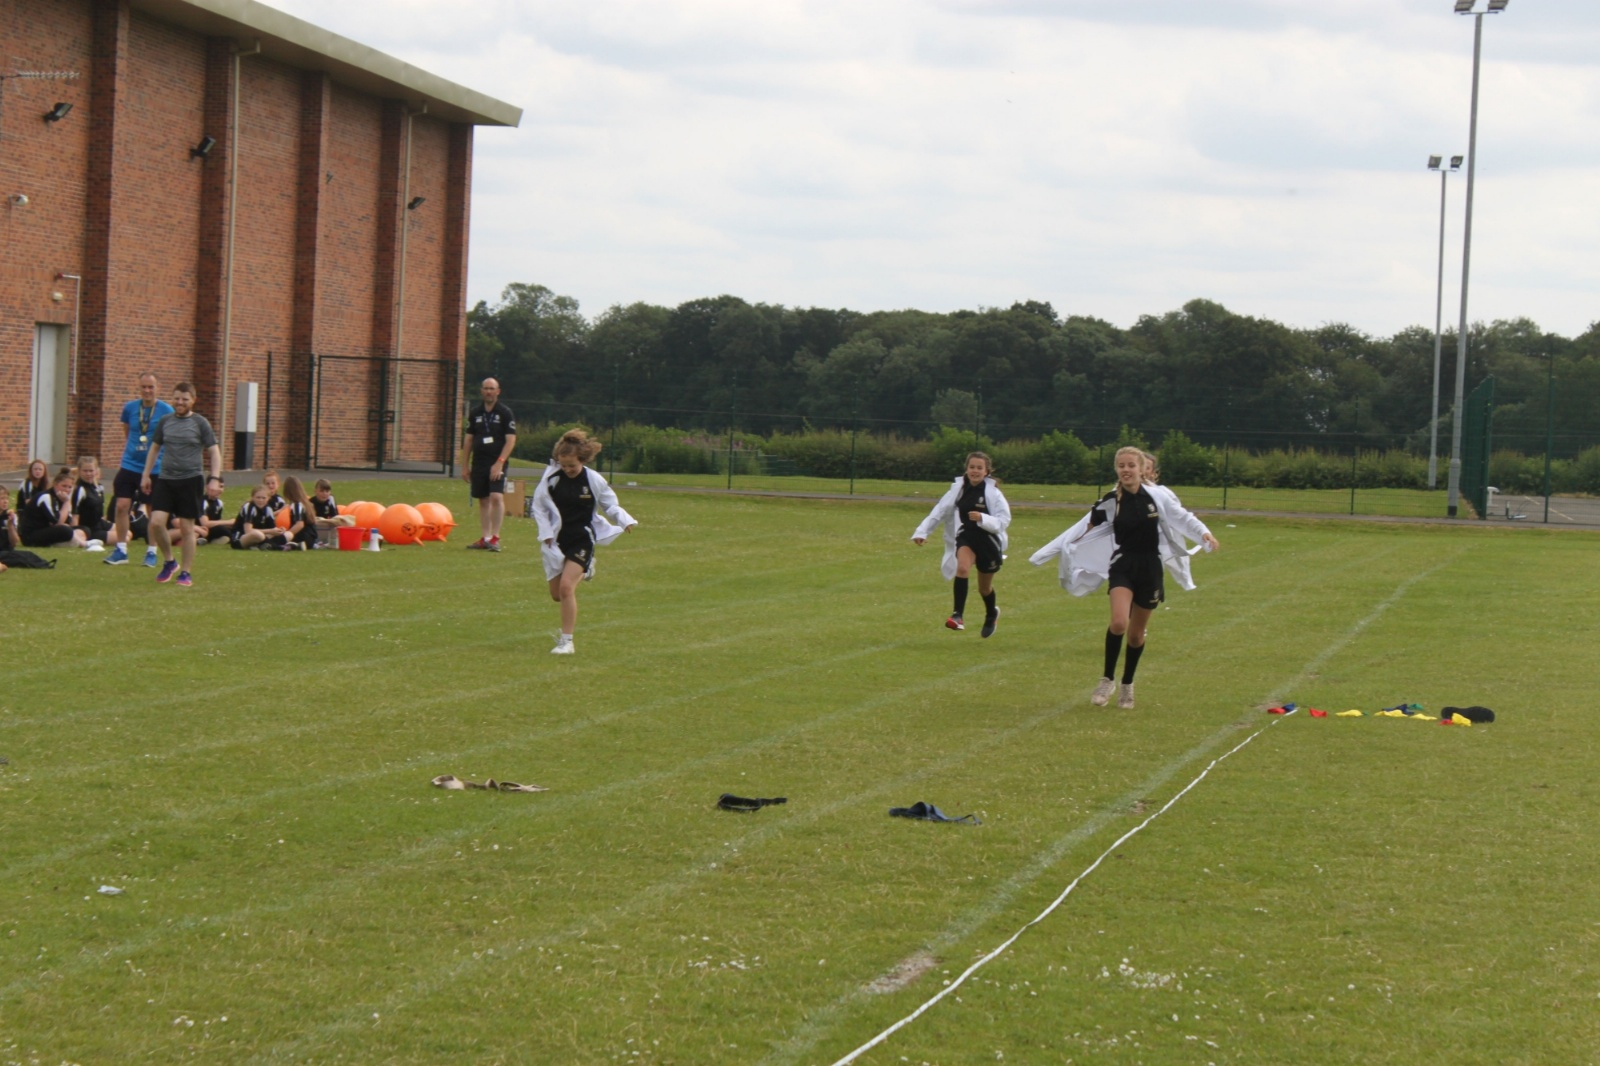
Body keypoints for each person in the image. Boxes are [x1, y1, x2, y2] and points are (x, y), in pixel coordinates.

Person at [1030, 445, 1219, 709]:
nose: (1126, 470)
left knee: (1136, 634)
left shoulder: (1158, 497)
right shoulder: (1111, 500)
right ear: (1116, 469)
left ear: (1143, 469)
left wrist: (1204, 534)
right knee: (1119, 622)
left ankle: (1127, 685)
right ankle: (1107, 679)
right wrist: (1066, 548)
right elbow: (1084, 527)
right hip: (1123, 564)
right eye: (1121, 466)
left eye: (1131, 465)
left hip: (1150, 567)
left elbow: (1183, 518)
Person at [531, 429, 636, 654]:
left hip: (582, 539)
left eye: (572, 466)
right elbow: (538, 506)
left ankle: (567, 642)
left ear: (582, 459)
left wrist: (624, 520)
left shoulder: (594, 479)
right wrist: (546, 532)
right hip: (556, 540)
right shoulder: (551, 478)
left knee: (567, 588)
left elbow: (610, 504)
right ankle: (586, 571)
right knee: (557, 595)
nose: (567, 470)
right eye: (564, 465)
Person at [911, 451, 1012, 637]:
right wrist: (922, 531)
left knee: (984, 588)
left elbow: (1004, 521)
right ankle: (958, 616)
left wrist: (983, 518)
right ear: (966, 469)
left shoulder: (994, 494)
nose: (975, 471)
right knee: (963, 569)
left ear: (986, 471)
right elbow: (939, 511)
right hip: (967, 537)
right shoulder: (958, 490)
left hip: (988, 541)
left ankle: (991, 614)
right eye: (971, 467)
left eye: (979, 468)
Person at [141, 382, 221, 587]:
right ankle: (169, 561)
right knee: (156, 522)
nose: (180, 402)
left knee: (187, 528)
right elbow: (154, 449)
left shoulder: (200, 423)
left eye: (184, 399)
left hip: (190, 481)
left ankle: (186, 572)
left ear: (193, 400)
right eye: (176, 398)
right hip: (166, 479)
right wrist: (146, 474)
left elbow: (214, 452)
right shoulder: (165, 421)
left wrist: (214, 478)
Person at [107, 372, 172, 566]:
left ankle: (151, 552)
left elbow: (167, 438)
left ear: (157, 388)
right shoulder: (130, 408)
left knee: (153, 510)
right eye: (144, 387)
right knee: (121, 505)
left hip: (154, 468)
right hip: (129, 464)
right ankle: (121, 550)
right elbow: (128, 431)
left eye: (150, 387)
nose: (147, 391)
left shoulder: (165, 410)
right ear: (139, 387)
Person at [460, 378, 517, 551]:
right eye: (485, 388)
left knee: (496, 496)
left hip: (497, 462)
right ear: (481, 391)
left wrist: (499, 463)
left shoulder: (505, 413)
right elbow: (469, 439)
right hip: (479, 463)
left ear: (498, 391)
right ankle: (485, 537)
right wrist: (464, 466)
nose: (488, 392)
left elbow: (511, 440)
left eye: (492, 389)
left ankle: (495, 537)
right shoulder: (476, 413)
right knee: (483, 499)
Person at [20, 469, 90, 548]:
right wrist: (66, 503)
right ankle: (84, 544)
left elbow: (68, 522)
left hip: (49, 529)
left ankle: (71, 542)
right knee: (66, 530)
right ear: (55, 485)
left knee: (85, 529)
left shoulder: (61, 498)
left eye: (70, 487)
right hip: (32, 535)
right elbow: (58, 522)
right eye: (64, 486)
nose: (67, 490)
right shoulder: (46, 496)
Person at [231, 485, 289, 549]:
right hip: (241, 538)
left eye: (264, 498)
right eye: (258, 497)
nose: (261, 500)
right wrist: (270, 531)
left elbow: (272, 528)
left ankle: (260, 546)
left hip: (260, 536)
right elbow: (248, 531)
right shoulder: (249, 507)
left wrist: (279, 530)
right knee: (258, 535)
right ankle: (277, 547)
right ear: (253, 497)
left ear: (268, 498)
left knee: (289, 534)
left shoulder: (268, 509)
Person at [71, 456, 112, 548]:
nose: (88, 473)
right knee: (125, 537)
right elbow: (75, 514)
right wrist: (76, 534)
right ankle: (90, 540)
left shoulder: (99, 487)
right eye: (85, 471)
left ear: (96, 471)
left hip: (99, 523)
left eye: (91, 471)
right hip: (89, 528)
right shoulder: (80, 489)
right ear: (79, 471)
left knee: (127, 532)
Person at [280, 476, 318, 550]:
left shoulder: (297, 504)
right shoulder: (306, 503)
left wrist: (287, 534)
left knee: (278, 539)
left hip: (304, 537)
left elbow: (299, 524)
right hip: (311, 538)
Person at [197, 476, 234, 544]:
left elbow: (217, 521)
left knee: (233, 528)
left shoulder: (219, 503)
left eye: (222, 487)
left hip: (212, 529)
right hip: (201, 529)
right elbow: (205, 523)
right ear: (207, 487)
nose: (220, 490)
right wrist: (229, 522)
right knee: (223, 530)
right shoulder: (202, 501)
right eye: (218, 487)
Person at [0, 486, 17, 551]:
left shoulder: (10, 515)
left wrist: (10, 526)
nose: (5, 501)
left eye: (7, 498)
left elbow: (14, 543)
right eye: (2, 498)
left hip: (6, 552)